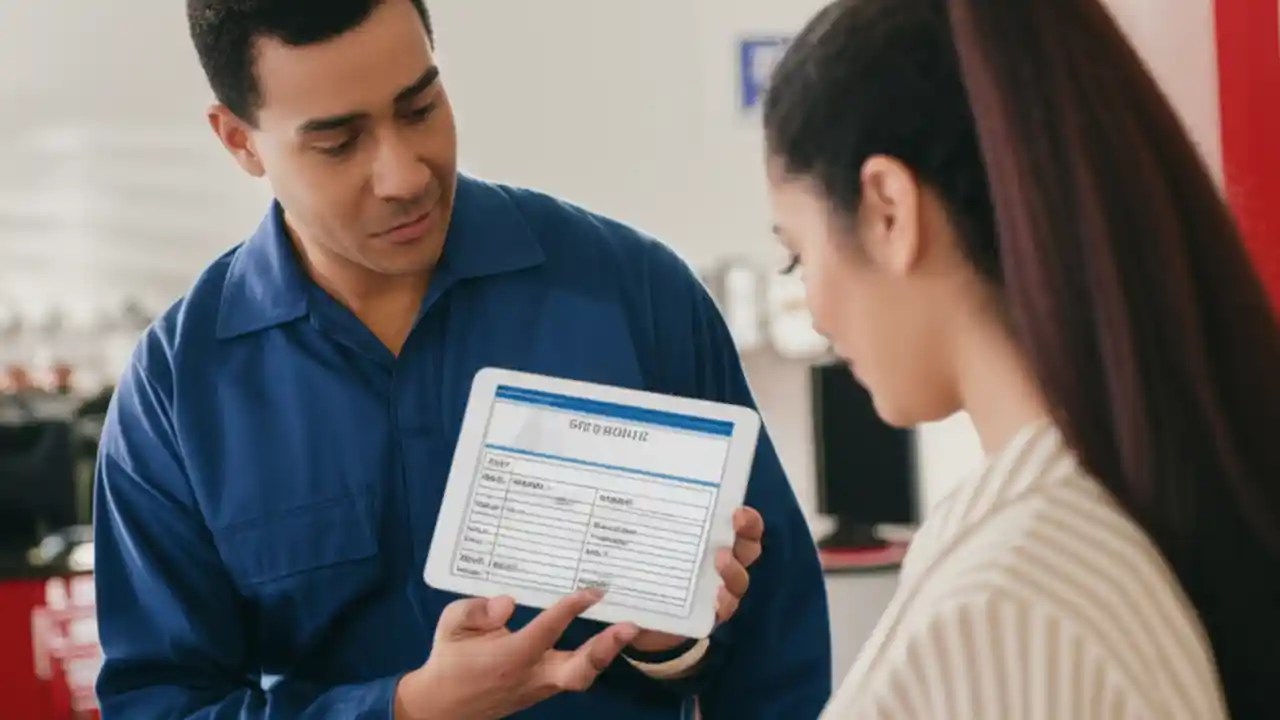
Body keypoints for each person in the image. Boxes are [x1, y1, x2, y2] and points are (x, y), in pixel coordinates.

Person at [91, 1, 832, 718]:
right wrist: (403, 712)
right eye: (338, 142)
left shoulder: (634, 297)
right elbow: (163, 706)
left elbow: (779, 659)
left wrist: (671, 641)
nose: (404, 176)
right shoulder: (176, 394)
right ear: (239, 140)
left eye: (419, 109)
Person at [762, 0, 1280, 717]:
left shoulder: (1013, 601)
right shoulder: (1064, 525)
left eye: (796, 254)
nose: (814, 309)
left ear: (888, 209)